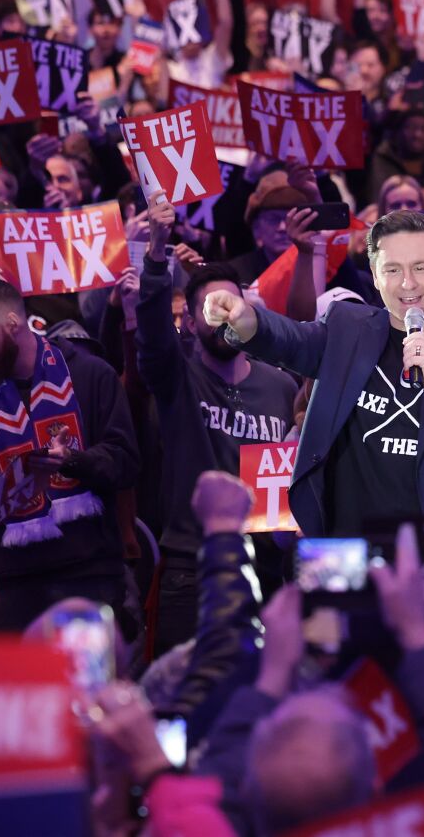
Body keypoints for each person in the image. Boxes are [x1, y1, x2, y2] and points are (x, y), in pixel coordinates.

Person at [200, 209, 424, 535]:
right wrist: (247, 319)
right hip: (345, 543)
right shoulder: (346, 325)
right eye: (392, 269)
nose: (407, 282)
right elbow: (292, 341)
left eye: (421, 267)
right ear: (375, 274)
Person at [201, 530, 424, 835]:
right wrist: (417, 634)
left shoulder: (201, 824)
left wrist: (272, 675)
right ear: (375, 782)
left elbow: (210, 792)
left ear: (245, 791)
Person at [134, 197, 297, 649]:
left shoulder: (281, 387)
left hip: (264, 575)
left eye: (232, 305)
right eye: (210, 308)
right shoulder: (178, 379)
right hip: (193, 571)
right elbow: (151, 338)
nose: (225, 316)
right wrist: (156, 255)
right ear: (188, 320)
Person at [0, 277, 140, 634]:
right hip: (9, 587)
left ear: (12, 324)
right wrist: (15, 483)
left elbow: (126, 461)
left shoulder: (91, 375)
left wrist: (71, 462)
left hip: (89, 573)